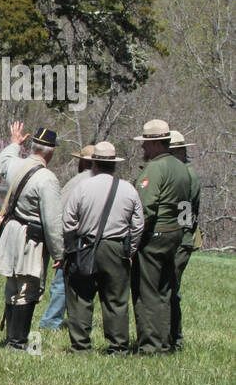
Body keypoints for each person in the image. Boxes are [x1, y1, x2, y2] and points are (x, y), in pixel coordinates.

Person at [62, 142, 144, 354]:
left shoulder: (82, 187)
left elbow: (68, 221)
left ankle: (80, 345)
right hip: (116, 247)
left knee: (80, 296)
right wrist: (130, 251)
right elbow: (137, 226)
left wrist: (70, 247)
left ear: (94, 164)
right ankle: (117, 347)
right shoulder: (129, 189)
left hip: (84, 245)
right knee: (116, 299)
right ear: (114, 165)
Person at [0, 122, 63, 351]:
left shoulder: (16, 166)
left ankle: (12, 338)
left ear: (32, 148)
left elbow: (3, 161)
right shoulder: (47, 179)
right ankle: (17, 342)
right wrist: (59, 252)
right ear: (50, 153)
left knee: (12, 286)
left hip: (11, 231)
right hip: (29, 237)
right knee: (27, 289)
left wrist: (13, 144)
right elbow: (52, 222)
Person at [131, 119, 191, 355]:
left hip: (154, 236)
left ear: (155, 143)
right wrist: (183, 233)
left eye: (145, 143)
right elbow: (187, 206)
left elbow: (145, 207)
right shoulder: (182, 169)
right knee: (165, 290)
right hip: (174, 235)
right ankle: (165, 341)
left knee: (147, 292)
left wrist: (133, 239)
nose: (143, 148)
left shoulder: (155, 168)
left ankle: (150, 346)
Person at [38, 145, 95, 329]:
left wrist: (59, 244)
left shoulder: (78, 181)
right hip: (98, 240)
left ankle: (50, 322)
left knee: (62, 282)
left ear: (84, 162)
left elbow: (59, 210)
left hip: (76, 239)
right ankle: (81, 321)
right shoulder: (109, 181)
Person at [169, 130, 200, 351]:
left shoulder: (187, 176)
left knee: (171, 290)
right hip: (176, 237)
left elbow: (186, 214)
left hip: (180, 239)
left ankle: (175, 339)